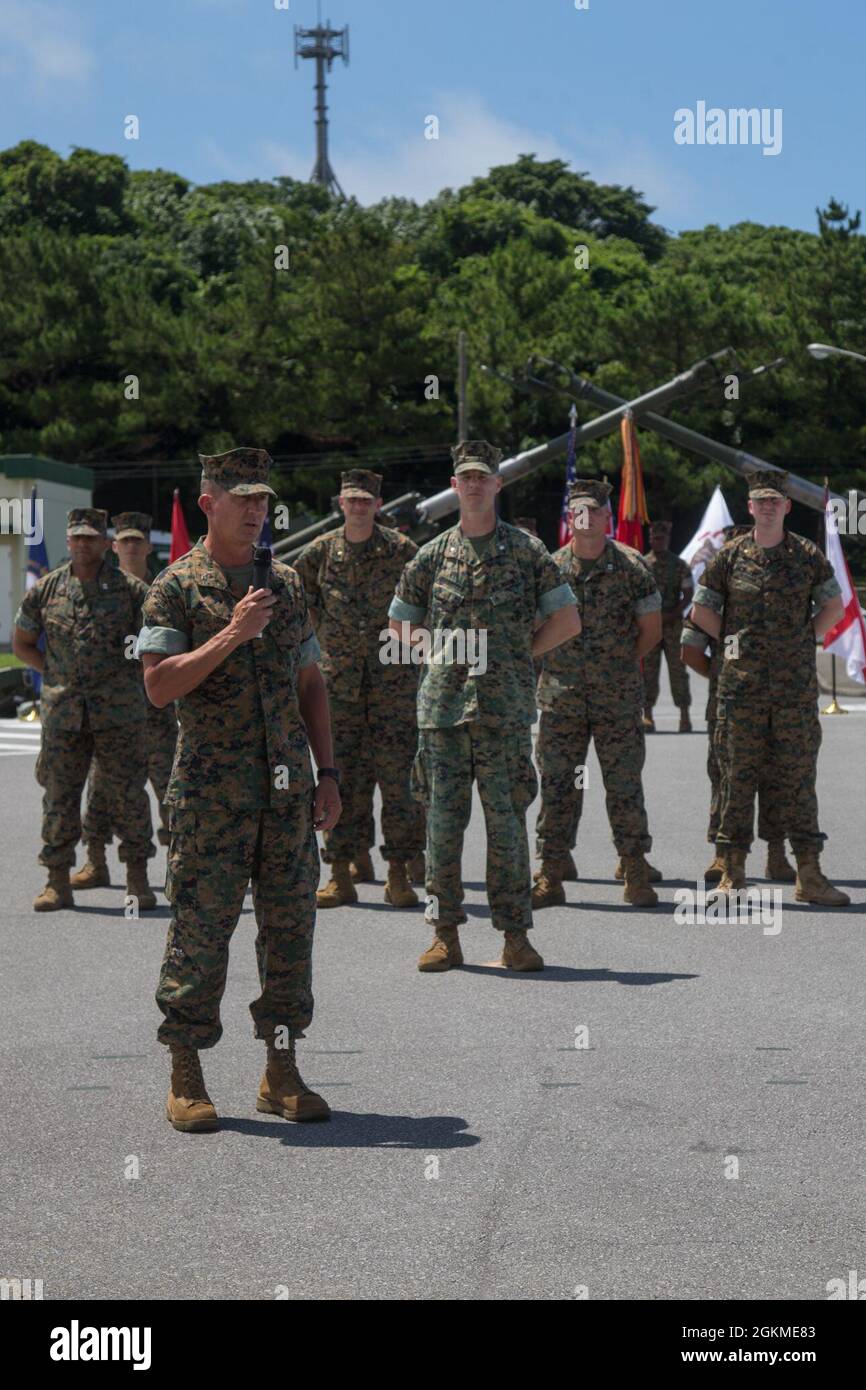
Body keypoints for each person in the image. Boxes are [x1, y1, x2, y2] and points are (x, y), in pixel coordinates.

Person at [137, 447, 342, 1132]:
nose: (256, 510)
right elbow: (160, 686)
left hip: (286, 794)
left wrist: (329, 774)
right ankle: (186, 1074)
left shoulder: (285, 583)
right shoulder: (174, 586)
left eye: (263, 499)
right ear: (209, 504)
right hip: (211, 798)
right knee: (201, 934)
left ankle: (281, 1072)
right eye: (242, 498)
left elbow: (311, 682)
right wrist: (231, 632)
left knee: (289, 935)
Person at [388, 440, 580, 973]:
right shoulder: (430, 555)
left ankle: (515, 936)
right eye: (465, 477)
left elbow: (567, 620)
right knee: (442, 829)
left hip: (504, 714)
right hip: (443, 714)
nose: (473, 484)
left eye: (483, 477)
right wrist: (440, 655)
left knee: (508, 829)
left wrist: (520, 653)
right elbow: (399, 623)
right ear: (455, 486)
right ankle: (443, 934)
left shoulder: (527, 551)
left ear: (497, 484)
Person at [691, 471, 848, 903]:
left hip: (794, 691)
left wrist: (800, 639)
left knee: (798, 779)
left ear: (787, 507)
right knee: (738, 778)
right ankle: (733, 871)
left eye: (774, 501)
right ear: (749, 507)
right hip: (740, 690)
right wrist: (734, 643)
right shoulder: (730, 555)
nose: (767, 507)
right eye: (760, 501)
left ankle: (809, 874)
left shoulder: (806, 555)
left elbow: (834, 606)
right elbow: (701, 610)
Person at [12, 508, 156, 912]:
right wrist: (54, 674)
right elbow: (22, 642)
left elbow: (158, 641)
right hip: (64, 717)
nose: (83, 544)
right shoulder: (45, 590)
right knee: (59, 797)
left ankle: (138, 880)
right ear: (68, 541)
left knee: (128, 796)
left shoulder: (131, 591)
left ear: (104, 542)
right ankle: (57, 881)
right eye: (77, 537)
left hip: (120, 715)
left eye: (90, 537)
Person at [294, 470, 424, 910]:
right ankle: (339, 871)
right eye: (352, 500)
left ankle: (399, 873)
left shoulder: (402, 551)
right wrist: (324, 644)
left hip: (393, 688)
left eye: (366, 500)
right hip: (339, 689)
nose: (358, 506)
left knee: (398, 784)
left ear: (378, 503)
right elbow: (300, 601)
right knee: (337, 780)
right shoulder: (320, 553)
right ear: (340, 503)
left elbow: (423, 603)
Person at [532, 480, 664, 908]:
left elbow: (651, 631)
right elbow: (533, 630)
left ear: (608, 519)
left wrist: (619, 665)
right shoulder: (548, 568)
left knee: (623, 784)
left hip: (617, 700)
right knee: (560, 784)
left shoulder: (631, 567)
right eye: (578, 512)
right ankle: (551, 870)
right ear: (570, 519)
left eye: (595, 511)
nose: (586, 518)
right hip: (561, 699)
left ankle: (634, 868)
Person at [680, 527, 796, 884]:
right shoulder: (716, 603)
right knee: (728, 780)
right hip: (728, 703)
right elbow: (691, 651)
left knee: (775, 777)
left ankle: (776, 854)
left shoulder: (773, 602)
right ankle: (722, 854)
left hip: (774, 700)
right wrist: (721, 674)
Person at [72, 512, 179, 892]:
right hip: (112, 714)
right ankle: (95, 861)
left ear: (148, 547)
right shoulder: (99, 590)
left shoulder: (165, 589)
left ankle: (178, 868)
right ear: (113, 546)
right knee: (100, 792)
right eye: (125, 541)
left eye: (138, 541)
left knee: (170, 792)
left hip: (155, 715)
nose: (131, 547)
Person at [641, 519, 694, 732]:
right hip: (651, 625)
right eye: (655, 538)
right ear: (650, 538)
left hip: (673, 625)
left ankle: (684, 715)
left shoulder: (679, 565)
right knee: (649, 672)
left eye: (662, 538)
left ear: (668, 539)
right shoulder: (643, 564)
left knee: (678, 670)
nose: (658, 542)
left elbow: (689, 593)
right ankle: (647, 715)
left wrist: (675, 612)